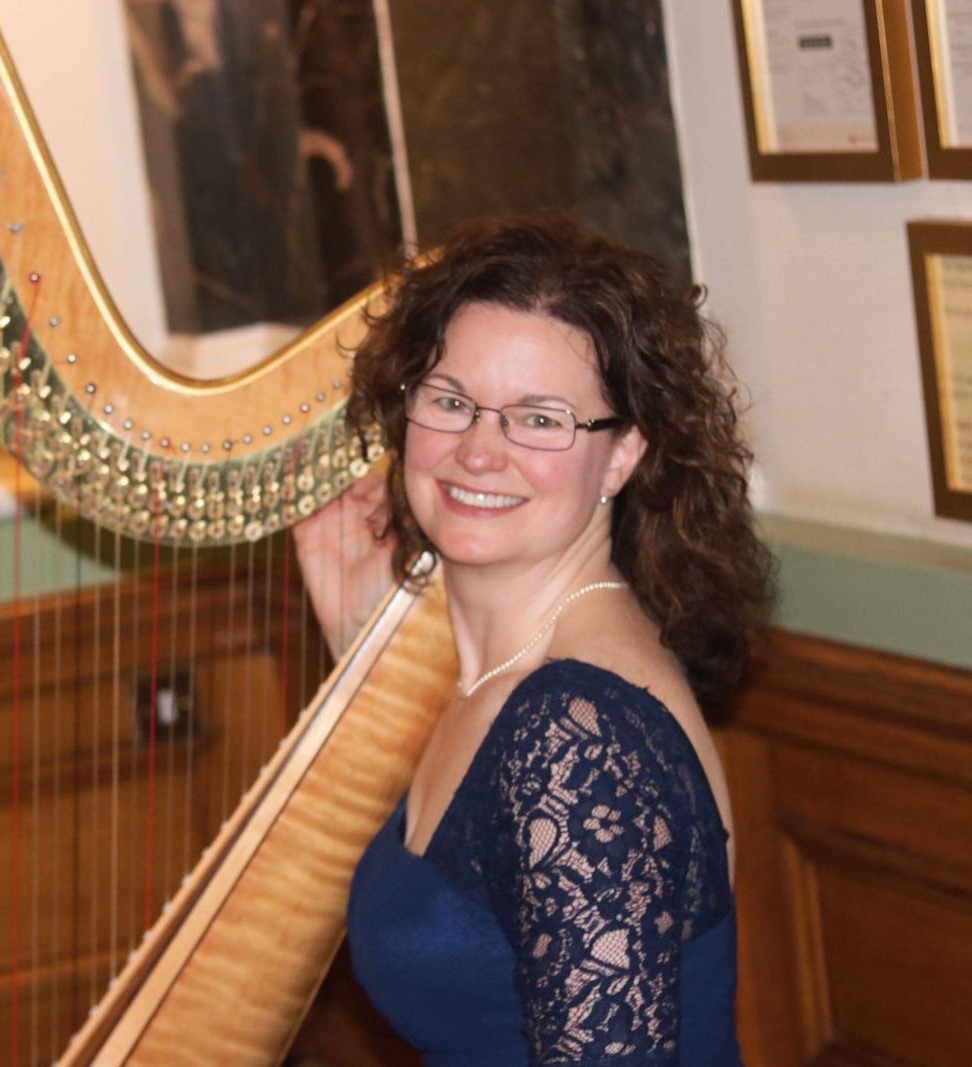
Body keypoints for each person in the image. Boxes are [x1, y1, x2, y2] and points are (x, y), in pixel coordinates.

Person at [294, 215, 773, 1065]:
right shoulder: (499, 670)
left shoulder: (576, 732)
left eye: (540, 419)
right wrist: (358, 638)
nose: (480, 451)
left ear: (622, 454)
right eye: (451, 401)